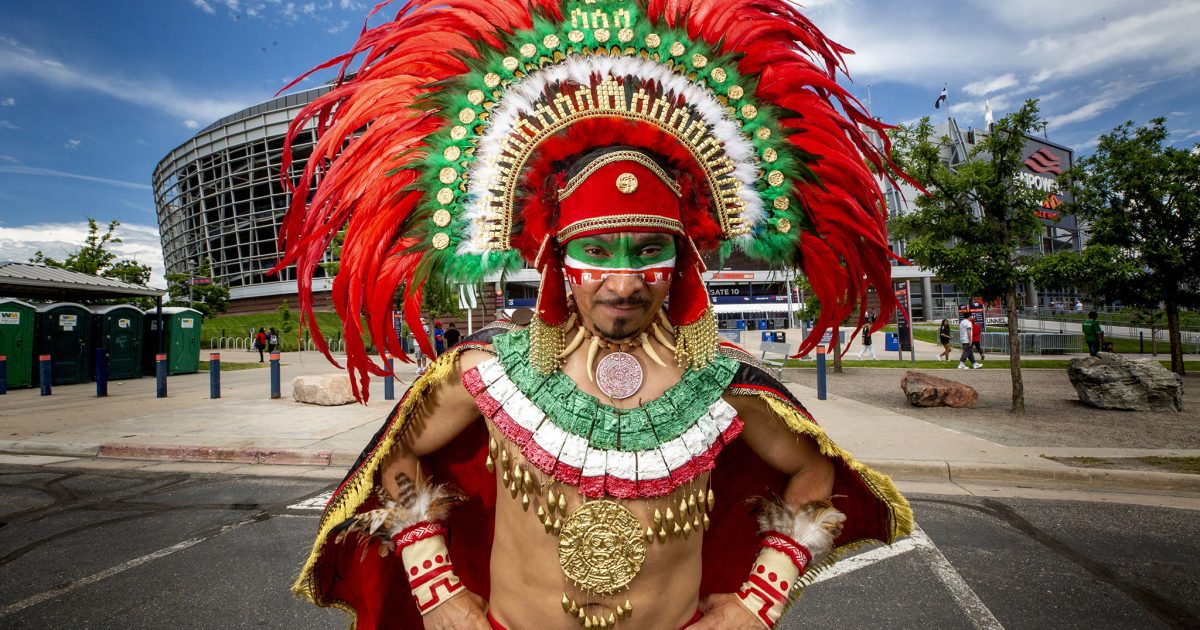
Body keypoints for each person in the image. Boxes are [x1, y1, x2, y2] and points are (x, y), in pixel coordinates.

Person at [276, 3, 913, 628]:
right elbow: (399, 454)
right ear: (558, 257)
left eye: (648, 251)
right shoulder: (490, 372)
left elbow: (813, 469)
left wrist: (758, 602)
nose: (625, 281)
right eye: (596, 251)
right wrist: (436, 586)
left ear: (681, 258)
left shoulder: (725, 386)